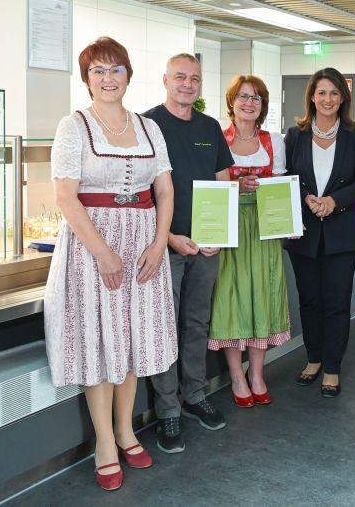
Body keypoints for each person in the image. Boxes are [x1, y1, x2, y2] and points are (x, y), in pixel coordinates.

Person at [44, 37, 177, 490]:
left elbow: (164, 189)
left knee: (133, 338)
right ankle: (104, 441)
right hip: (91, 247)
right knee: (100, 343)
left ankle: (126, 430)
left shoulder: (148, 127)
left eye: (115, 69)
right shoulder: (73, 126)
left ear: (128, 75)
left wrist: (159, 244)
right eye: (98, 70)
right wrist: (102, 251)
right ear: (86, 79)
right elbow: (66, 196)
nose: (107, 78)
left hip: (142, 244)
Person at [144, 53, 233, 453]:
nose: (187, 83)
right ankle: (168, 411)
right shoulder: (147, 126)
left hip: (206, 246)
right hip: (164, 246)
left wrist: (220, 233)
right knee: (164, 327)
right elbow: (142, 193)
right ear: (165, 80)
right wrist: (169, 238)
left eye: (194, 78)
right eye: (180, 76)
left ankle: (195, 395)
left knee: (197, 323)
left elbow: (223, 182)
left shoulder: (209, 127)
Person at [284, 67, 355, 398]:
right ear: (311, 97)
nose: (328, 99)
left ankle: (332, 367)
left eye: (334, 93)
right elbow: (286, 177)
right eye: (322, 92)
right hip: (304, 231)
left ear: (343, 98)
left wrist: (334, 200)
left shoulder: (354, 134)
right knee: (309, 300)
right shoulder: (295, 135)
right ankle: (314, 359)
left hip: (342, 231)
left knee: (336, 302)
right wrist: (305, 199)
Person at [208, 75, 290, 407]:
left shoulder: (274, 141)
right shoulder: (217, 139)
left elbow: (280, 189)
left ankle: (257, 373)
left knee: (262, 297)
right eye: (243, 96)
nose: (249, 103)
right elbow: (209, 188)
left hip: (264, 226)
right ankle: (236, 375)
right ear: (232, 101)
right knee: (231, 298)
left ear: (263, 105)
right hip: (230, 225)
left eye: (256, 98)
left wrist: (287, 220)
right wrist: (235, 187)